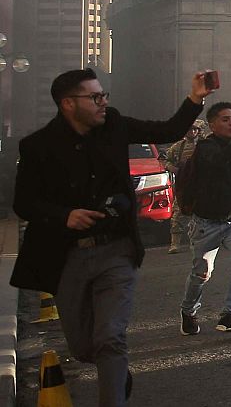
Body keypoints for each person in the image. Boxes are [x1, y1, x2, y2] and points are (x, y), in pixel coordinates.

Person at [11, 67, 217, 407]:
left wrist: (195, 97)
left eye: (104, 95)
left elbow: (167, 129)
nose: (103, 102)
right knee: (83, 347)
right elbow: (24, 203)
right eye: (94, 97)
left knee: (111, 339)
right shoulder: (37, 147)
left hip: (115, 250)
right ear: (68, 104)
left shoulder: (115, 125)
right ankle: (116, 372)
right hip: (67, 257)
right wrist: (65, 215)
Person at [179, 102, 231, 336]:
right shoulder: (206, 148)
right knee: (201, 273)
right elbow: (217, 163)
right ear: (212, 125)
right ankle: (188, 311)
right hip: (207, 222)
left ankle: (230, 315)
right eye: (225, 119)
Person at [161, 122, 205, 253]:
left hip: (202, 184)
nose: (192, 132)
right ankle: (175, 243)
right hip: (184, 184)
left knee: (203, 216)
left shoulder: (204, 145)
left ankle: (201, 241)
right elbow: (165, 159)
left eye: (194, 129)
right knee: (177, 214)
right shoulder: (178, 147)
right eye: (189, 129)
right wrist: (173, 169)